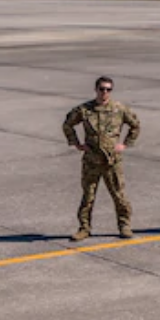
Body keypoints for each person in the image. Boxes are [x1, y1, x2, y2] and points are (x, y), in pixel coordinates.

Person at [62, 76, 141, 240]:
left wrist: (125, 144)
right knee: (88, 196)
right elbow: (68, 124)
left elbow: (135, 125)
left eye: (108, 89)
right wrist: (76, 143)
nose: (105, 92)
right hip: (91, 160)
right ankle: (84, 228)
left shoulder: (119, 109)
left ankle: (124, 225)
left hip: (112, 161)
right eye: (102, 89)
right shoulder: (85, 110)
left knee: (119, 195)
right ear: (96, 90)